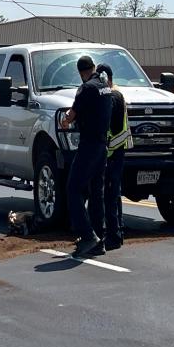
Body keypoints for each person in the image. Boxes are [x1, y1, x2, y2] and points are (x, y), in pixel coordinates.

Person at [59, 55, 113, 257]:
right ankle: (100, 240)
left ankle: (88, 236)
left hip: (89, 146)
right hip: (102, 146)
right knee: (96, 193)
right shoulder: (105, 86)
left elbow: (71, 115)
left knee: (73, 189)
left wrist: (65, 121)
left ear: (81, 72)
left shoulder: (86, 88)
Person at [100, 63, 133, 251]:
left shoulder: (112, 96)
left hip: (112, 151)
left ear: (105, 77)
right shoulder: (118, 93)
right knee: (115, 194)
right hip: (118, 150)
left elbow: (109, 126)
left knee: (110, 195)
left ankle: (113, 236)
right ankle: (118, 232)